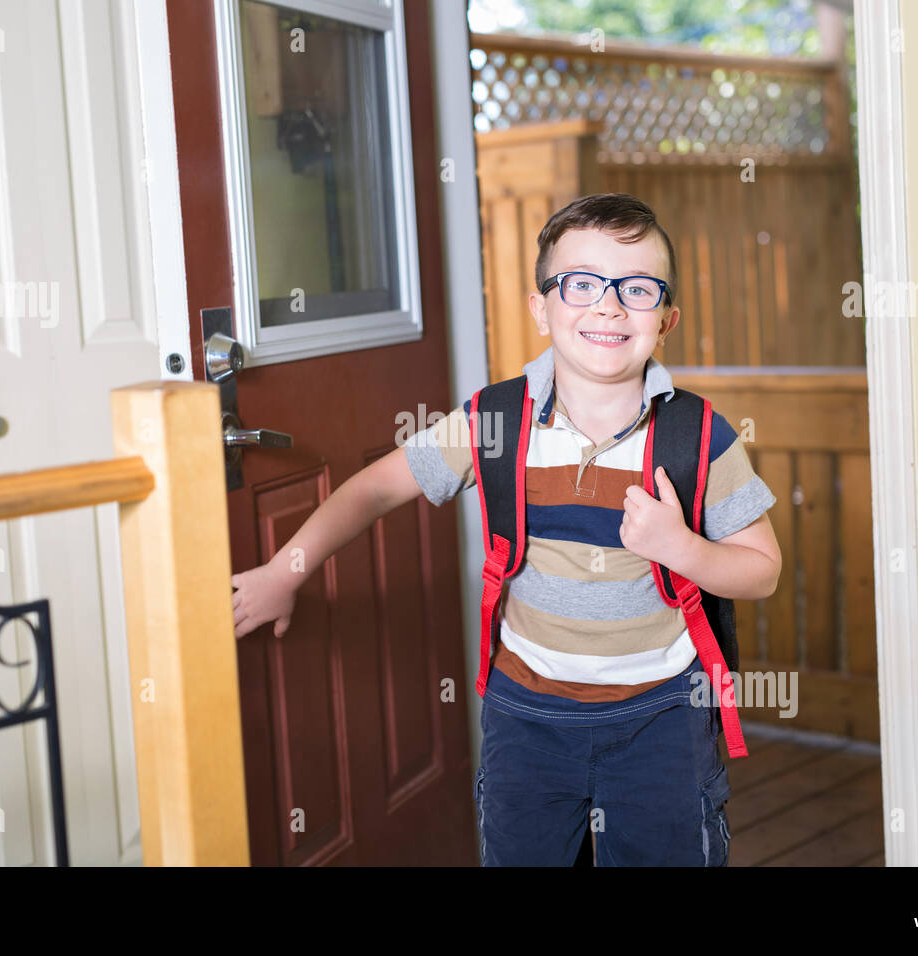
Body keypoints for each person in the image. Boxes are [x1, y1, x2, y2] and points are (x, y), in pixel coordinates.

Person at [231, 193, 781, 866]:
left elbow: (762, 569)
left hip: (661, 720)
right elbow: (375, 487)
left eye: (636, 289)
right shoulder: (495, 423)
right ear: (541, 307)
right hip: (528, 722)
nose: (608, 307)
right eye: (581, 284)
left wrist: (682, 548)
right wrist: (284, 571)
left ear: (665, 318)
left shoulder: (698, 436)